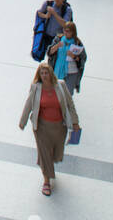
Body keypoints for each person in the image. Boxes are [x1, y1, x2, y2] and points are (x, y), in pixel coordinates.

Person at [19, 60, 80, 195]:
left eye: (46, 72)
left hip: (59, 127)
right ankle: (46, 181)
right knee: (44, 153)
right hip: (42, 127)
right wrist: (23, 121)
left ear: (51, 73)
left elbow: (70, 105)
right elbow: (29, 104)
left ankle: (48, 166)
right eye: (42, 73)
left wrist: (75, 122)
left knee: (55, 153)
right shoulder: (36, 87)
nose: (44, 75)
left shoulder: (61, 85)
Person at [48, 21, 86, 95]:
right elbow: (49, 53)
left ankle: (66, 106)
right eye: (64, 30)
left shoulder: (77, 42)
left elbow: (82, 59)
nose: (65, 32)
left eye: (68, 31)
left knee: (68, 94)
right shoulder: (58, 39)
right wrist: (57, 46)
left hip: (72, 72)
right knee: (56, 93)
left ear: (73, 32)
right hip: (58, 70)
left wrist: (73, 56)